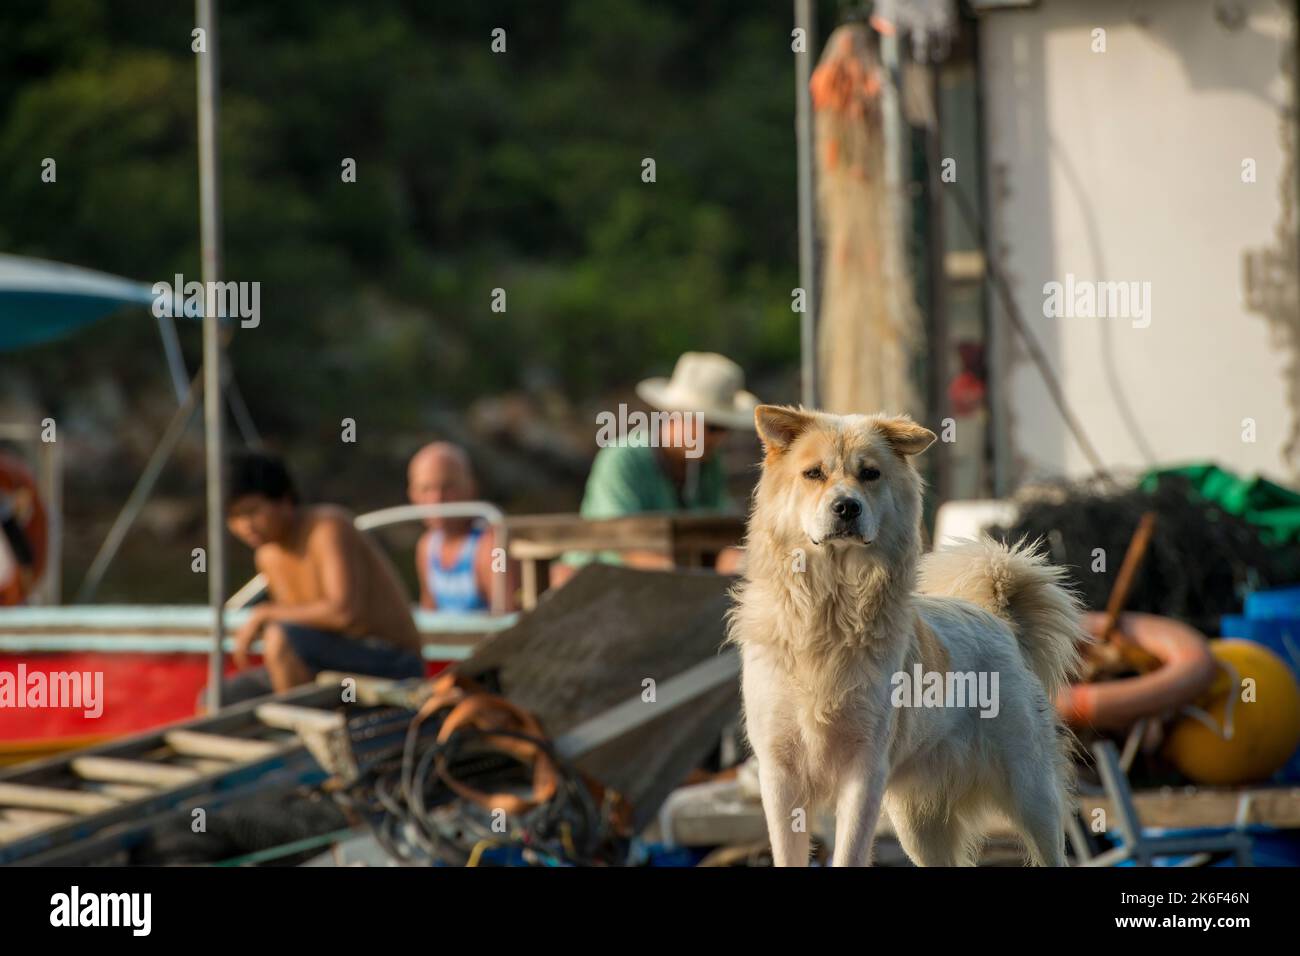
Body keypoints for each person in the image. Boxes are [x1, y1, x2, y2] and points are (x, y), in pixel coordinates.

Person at [219, 452, 425, 704]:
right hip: (324, 661)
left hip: (390, 661)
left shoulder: (327, 527)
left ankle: (300, 735)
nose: (245, 525)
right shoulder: (266, 554)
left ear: (284, 500)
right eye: (234, 517)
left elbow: (344, 614)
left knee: (279, 638)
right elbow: (302, 627)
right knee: (217, 698)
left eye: (252, 511)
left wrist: (265, 613)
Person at [558, 351, 759, 575]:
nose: (719, 438)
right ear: (675, 415)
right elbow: (622, 542)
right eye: (711, 427)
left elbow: (719, 537)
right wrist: (686, 580)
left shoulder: (708, 466)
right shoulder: (622, 458)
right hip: (594, 584)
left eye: (724, 428)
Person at [408, 442, 516, 612]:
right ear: (413, 494)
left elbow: (506, 615)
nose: (437, 498)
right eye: (426, 489)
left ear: (470, 487)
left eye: (448, 487)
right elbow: (429, 611)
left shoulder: (493, 546)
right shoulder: (426, 547)